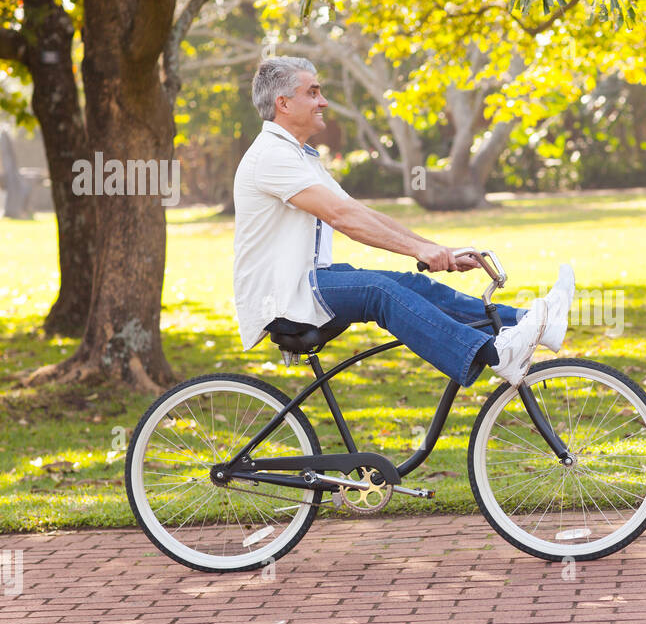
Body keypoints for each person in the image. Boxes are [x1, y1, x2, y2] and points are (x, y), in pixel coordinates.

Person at [233, 56, 572, 387]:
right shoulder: (272, 156)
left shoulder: (298, 156)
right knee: (379, 292)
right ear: (283, 103)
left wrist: (435, 249)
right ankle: (496, 355)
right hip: (281, 297)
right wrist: (420, 249)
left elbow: (358, 212)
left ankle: (531, 323)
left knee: (411, 284)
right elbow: (341, 218)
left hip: (307, 282)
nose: (323, 101)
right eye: (313, 92)